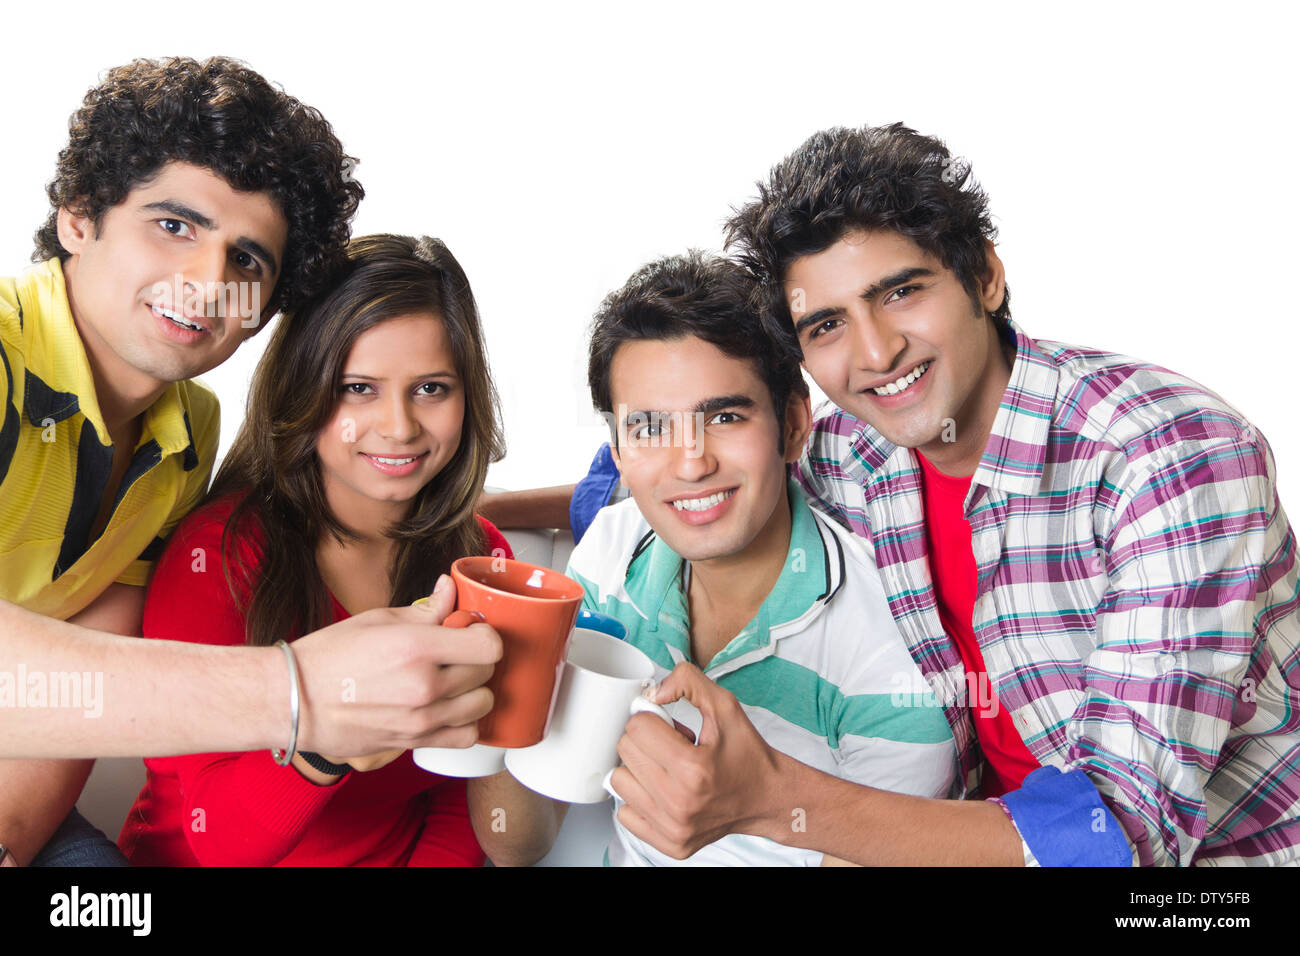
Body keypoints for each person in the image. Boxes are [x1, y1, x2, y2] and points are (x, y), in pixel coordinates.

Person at [607, 123, 1300, 866]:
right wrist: (491, 518)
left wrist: (775, 799)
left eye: (901, 292)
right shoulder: (856, 451)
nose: (876, 353)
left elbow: (1118, 835)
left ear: (986, 277)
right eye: (829, 324)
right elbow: (691, 470)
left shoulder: (1168, 460)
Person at [0, 58, 499, 868]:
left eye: (247, 262)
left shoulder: (185, 430)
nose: (206, 284)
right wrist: (303, 696)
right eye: (174, 226)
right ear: (79, 218)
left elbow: (90, 659)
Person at [470, 252, 956, 866]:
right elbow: (516, 842)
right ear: (617, 451)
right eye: (649, 428)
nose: (691, 462)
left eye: (725, 417)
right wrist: (505, 692)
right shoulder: (611, 551)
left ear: (794, 425)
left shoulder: (889, 660)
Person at [119, 234, 508, 866]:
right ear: (305, 388)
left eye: (432, 388)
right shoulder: (217, 556)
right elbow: (217, 839)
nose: (400, 425)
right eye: (359, 387)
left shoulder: (480, 564)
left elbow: (453, 791)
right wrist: (328, 738)